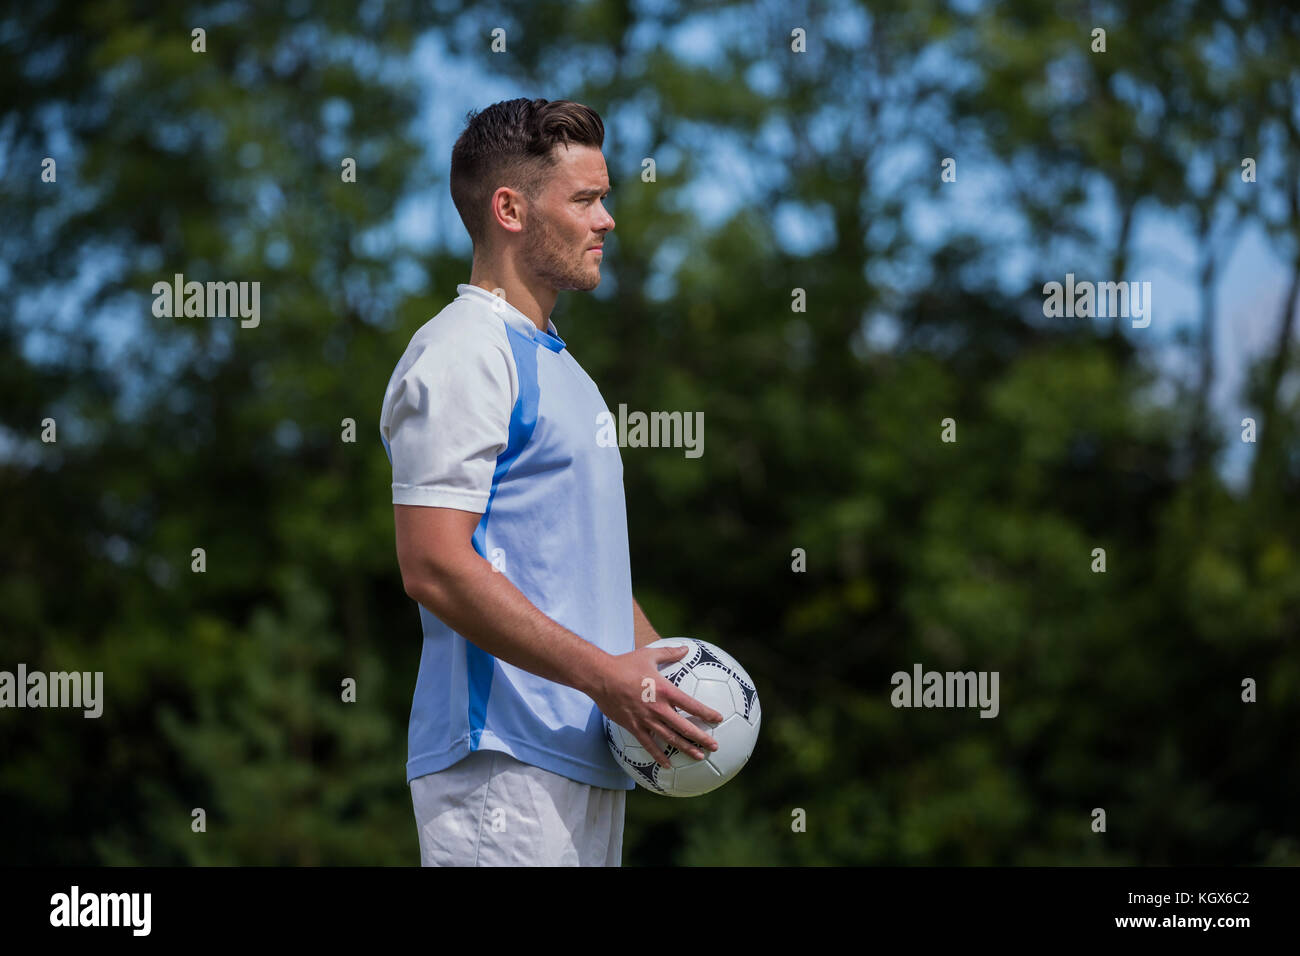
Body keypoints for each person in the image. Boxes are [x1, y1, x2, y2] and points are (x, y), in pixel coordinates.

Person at [379, 98, 723, 866]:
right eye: (585, 199)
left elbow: (585, 571)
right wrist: (607, 678)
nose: (607, 220)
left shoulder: (563, 368)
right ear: (510, 208)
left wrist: (665, 686)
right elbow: (432, 563)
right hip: (500, 769)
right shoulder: (464, 351)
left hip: (586, 761)